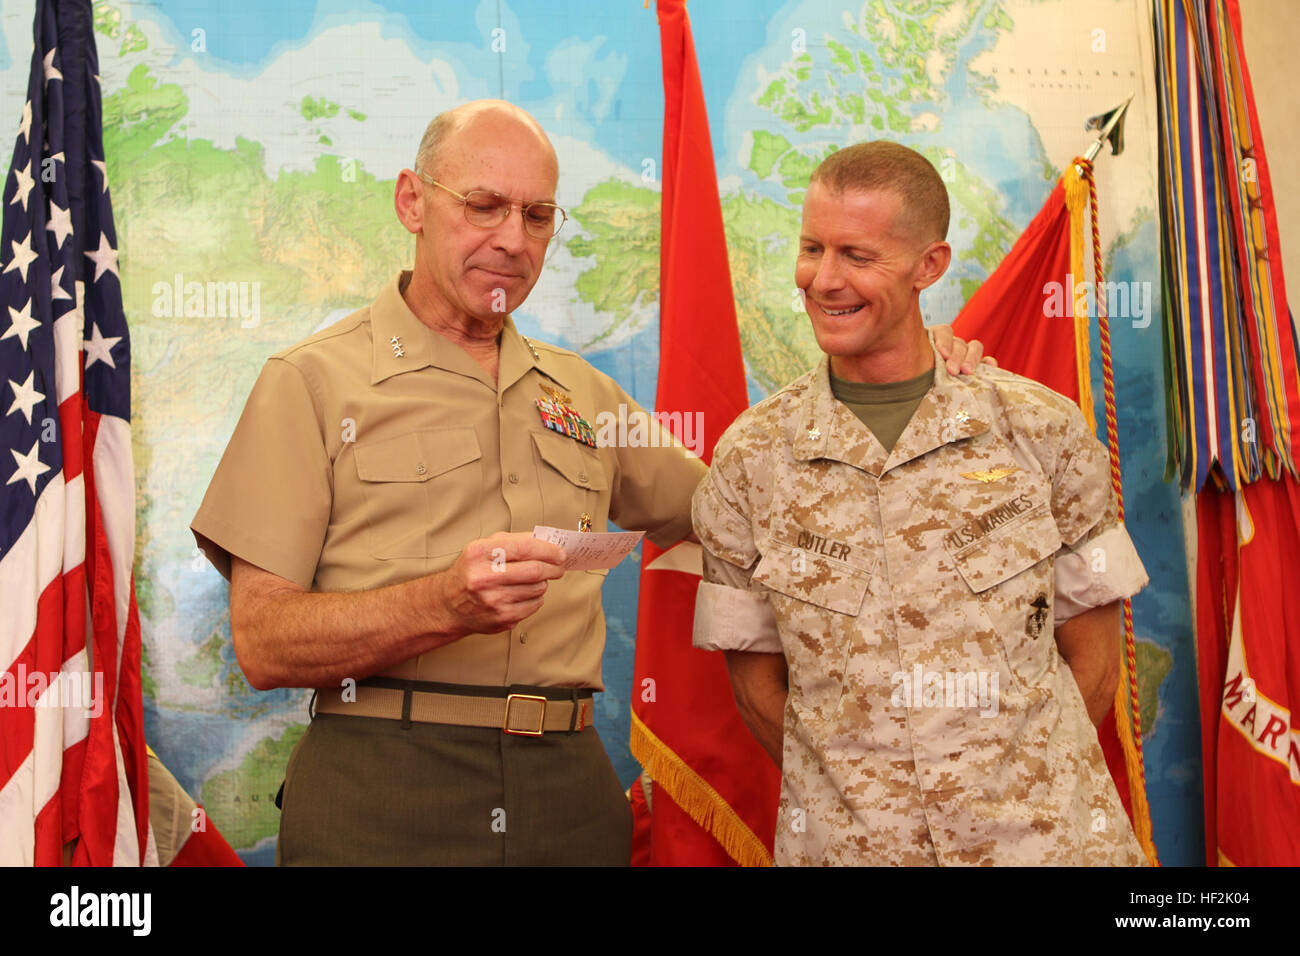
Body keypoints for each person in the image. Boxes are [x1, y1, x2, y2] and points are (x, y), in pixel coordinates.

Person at [190, 102, 986, 866]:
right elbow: (264, 643)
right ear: (412, 201)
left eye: (537, 217)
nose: (512, 239)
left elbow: (744, 512)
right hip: (384, 788)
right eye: (484, 205)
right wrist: (442, 604)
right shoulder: (312, 384)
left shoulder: (585, 397)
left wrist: (913, 369)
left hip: (567, 793)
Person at [691, 140, 1150, 866]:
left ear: (929, 266)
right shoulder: (749, 463)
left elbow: (1093, 662)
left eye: (858, 255)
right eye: (812, 248)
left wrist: (1006, 791)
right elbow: (756, 692)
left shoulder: (1041, 430)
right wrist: (870, 798)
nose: (823, 278)